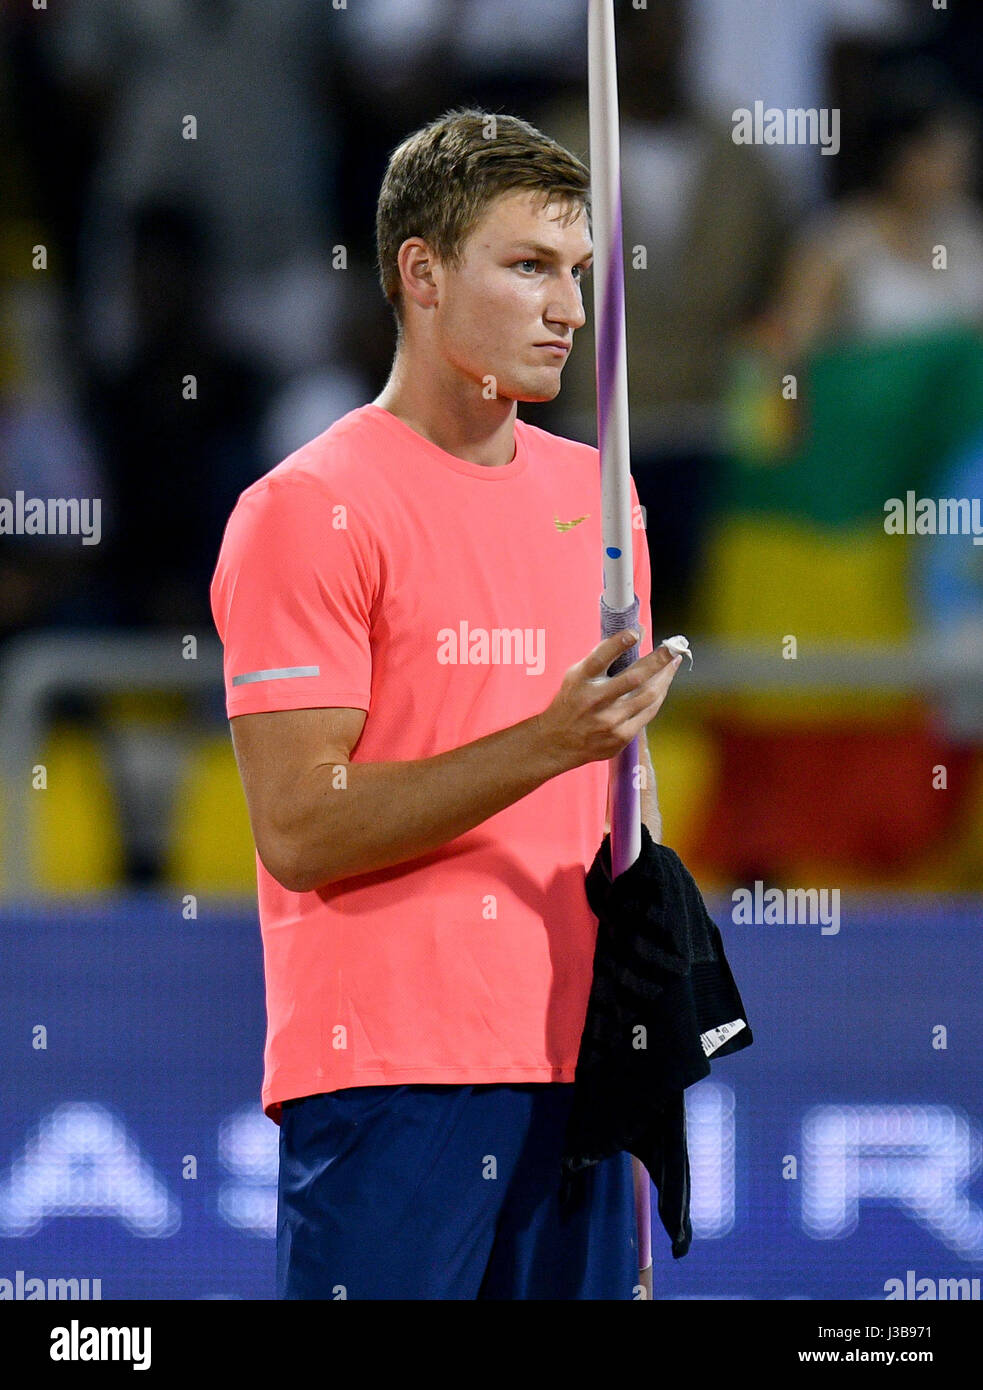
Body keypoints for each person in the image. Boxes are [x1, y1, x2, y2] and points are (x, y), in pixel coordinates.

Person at [210, 108, 683, 1300]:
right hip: (388, 1075)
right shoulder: (304, 508)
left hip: (581, 1066)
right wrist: (548, 741)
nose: (569, 309)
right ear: (420, 273)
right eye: (527, 266)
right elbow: (302, 825)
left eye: (577, 272)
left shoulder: (600, 494)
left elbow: (614, 789)